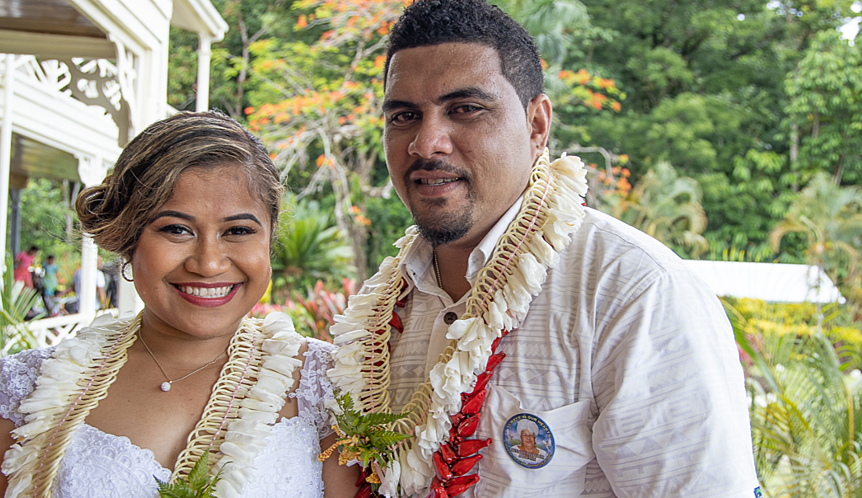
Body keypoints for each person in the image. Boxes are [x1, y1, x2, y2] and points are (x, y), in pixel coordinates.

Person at [326, 1, 760, 497]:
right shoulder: (378, 311)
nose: (427, 144)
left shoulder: (632, 290)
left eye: (465, 109)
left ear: (537, 125)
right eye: (405, 116)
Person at [0, 112, 358, 498]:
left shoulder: (326, 386)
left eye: (238, 231)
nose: (208, 263)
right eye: (176, 229)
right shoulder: (27, 391)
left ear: (268, 239)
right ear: (128, 238)